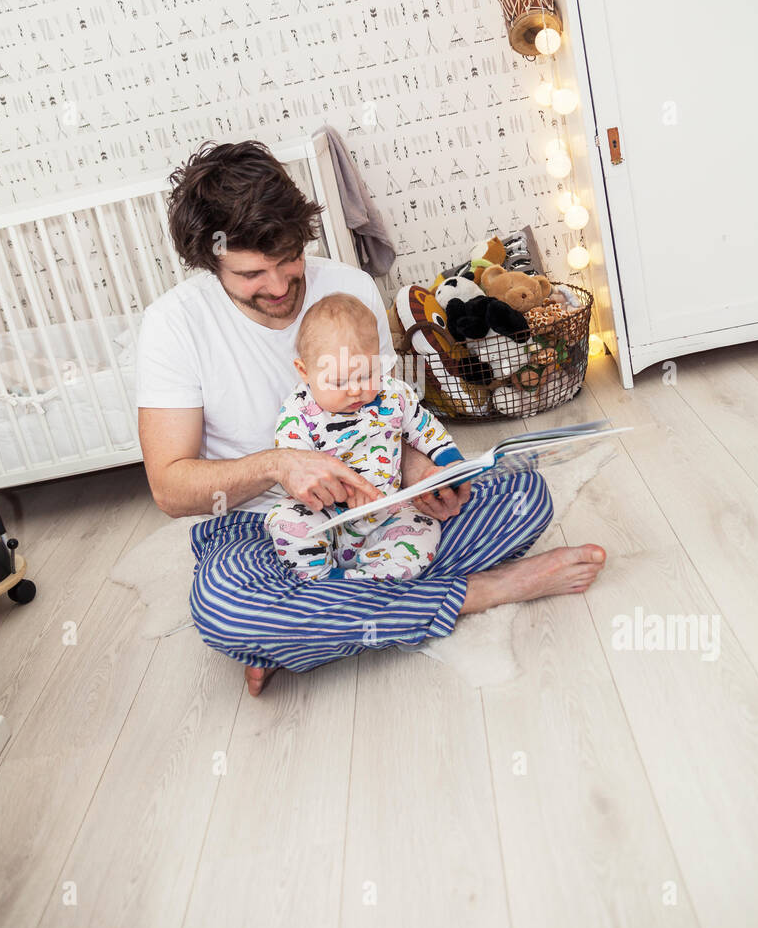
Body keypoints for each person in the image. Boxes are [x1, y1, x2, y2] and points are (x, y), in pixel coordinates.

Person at [136, 140, 606, 696]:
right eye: (252, 274)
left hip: (382, 508)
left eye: (288, 259)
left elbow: (388, 421)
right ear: (210, 261)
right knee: (224, 606)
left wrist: (421, 475)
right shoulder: (173, 326)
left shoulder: (351, 290)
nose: (281, 286)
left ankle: (309, 629)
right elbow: (170, 487)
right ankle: (486, 590)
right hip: (259, 526)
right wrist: (282, 465)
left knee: (526, 496)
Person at [266, 292, 463, 583]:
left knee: (424, 529)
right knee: (284, 518)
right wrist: (339, 493)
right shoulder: (297, 415)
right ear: (304, 372)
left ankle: (371, 580)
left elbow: (424, 427)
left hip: (389, 511)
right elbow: (297, 472)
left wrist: (451, 462)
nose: (355, 390)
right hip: (328, 518)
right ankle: (322, 579)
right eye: (339, 381)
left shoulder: (392, 394)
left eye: (366, 374)